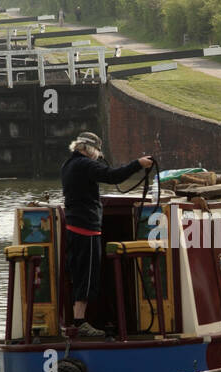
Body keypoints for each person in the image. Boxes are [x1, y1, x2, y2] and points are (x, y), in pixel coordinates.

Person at [61, 132, 154, 338]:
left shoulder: (68, 165)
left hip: (74, 227)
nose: (98, 156)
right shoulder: (85, 165)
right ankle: (80, 323)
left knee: (78, 274)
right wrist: (138, 164)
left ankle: (76, 320)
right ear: (88, 149)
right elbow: (113, 177)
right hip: (86, 228)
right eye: (97, 152)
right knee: (88, 275)